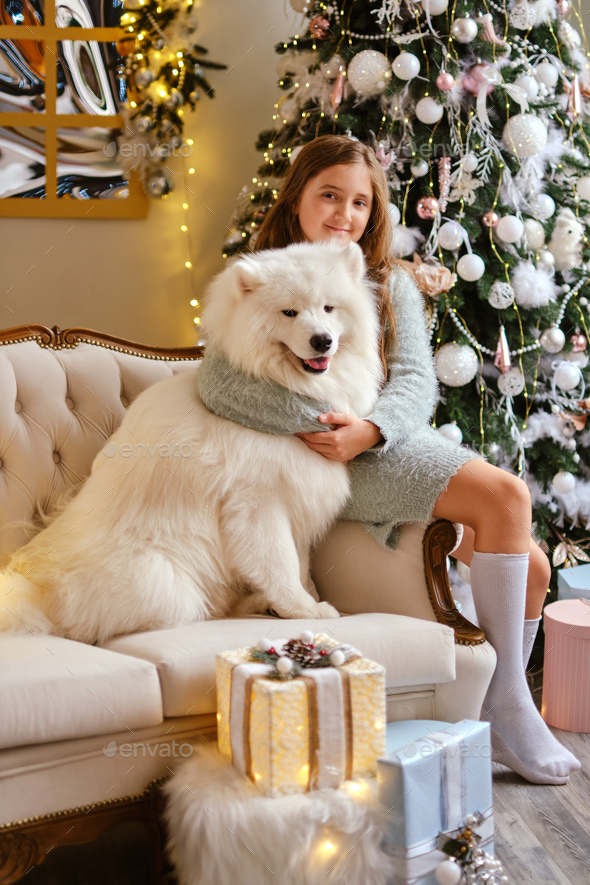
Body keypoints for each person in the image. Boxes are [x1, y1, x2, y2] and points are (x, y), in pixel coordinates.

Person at [226, 135, 581, 785]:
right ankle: (508, 704)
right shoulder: (262, 276)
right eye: (329, 195)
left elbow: (417, 380)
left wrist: (371, 429)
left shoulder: (391, 282)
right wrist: (322, 426)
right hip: (328, 464)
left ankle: (500, 702)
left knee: (534, 566)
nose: (345, 213)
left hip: (385, 443)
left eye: (360, 202)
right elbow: (222, 386)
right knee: (508, 496)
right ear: (297, 198)